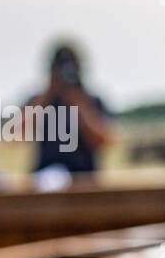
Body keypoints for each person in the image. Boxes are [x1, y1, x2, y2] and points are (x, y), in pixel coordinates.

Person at [15, 42, 114, 179]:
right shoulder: (40, 101)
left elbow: (104, 140)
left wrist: (79, 106)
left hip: (84, 178)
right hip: (45, 177)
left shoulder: (90, 101)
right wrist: (46, 97)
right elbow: (15, 135)